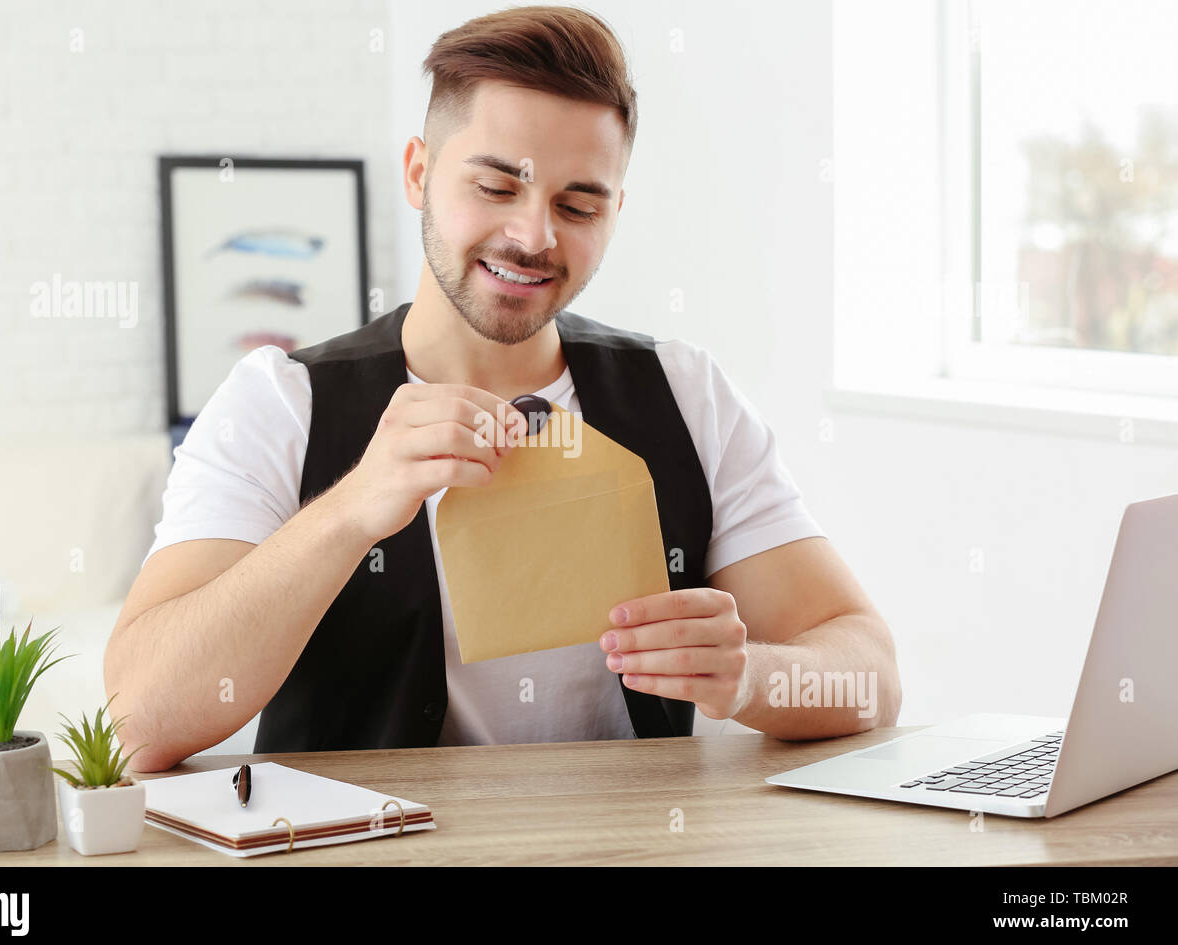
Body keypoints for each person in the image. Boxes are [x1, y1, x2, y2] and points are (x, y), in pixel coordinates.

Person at [106, 5, 900, 772]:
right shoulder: (280, 404)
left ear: (615, 212)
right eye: (494, 187)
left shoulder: (686, 395)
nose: (533, 235)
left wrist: (749, 677)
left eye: (577, 203)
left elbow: (869, 679)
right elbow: (137, 721)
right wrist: (351, 509)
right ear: (420, 173)